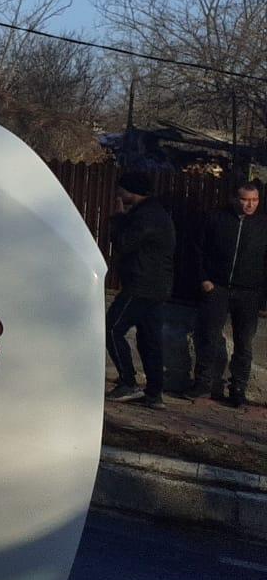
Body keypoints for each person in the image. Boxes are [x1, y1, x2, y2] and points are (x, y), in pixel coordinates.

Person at [189, 181, 266, 409]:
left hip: (249, 291)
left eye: (254, 200)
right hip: (218, 286)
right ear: (234, 199)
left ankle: (238, 389)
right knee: (209, 336)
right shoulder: (216, 219)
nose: (250, 205)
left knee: (244, 342)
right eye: (245, 199)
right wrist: (204, 278)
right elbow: (198, 249)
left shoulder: (262, 225)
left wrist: (261, 292)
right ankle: (203, 383)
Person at [106, 173, 174, 408]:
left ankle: (128, 382)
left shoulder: (146, 216)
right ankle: (154, 393)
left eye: (121, 190)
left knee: (112, 328)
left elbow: (124, 243)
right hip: (156, 286)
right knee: (149, 339)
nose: (118, 194)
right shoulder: (154, 213)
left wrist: (118, 218)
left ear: (131, 191)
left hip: (141, 285)